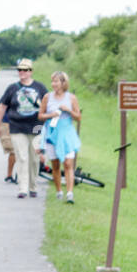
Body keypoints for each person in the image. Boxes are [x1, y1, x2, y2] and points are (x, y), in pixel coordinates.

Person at [0, 58, 47, 199]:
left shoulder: (40, 87)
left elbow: (47, 106)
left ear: (31, 71)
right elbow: (2, 107)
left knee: (35, 158)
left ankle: (33, 185)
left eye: (25, 70)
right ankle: (22, 188)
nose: (22, 72)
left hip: (36, 126)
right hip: (17, 125)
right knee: (22, 157)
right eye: (20, 70)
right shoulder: (12, 88)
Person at [39, 71, 82, 203]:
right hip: (52, 132)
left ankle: (70, 193)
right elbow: (40, 116)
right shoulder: (47, 97)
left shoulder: (71, 98)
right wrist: (51, 115)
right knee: (56, 164)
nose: (54, 84)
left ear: (63, 83)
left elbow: (78, 117)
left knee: (68, 163)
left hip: (67, 132)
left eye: (56, 81)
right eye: (52, 81)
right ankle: (58, 190)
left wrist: (68, 110)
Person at [0, 104, 17, 183]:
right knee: (13, 151)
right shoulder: (10, 91)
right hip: (8, 122)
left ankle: (19, 174)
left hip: (25, 123)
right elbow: (1, 106)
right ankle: (9, 175)